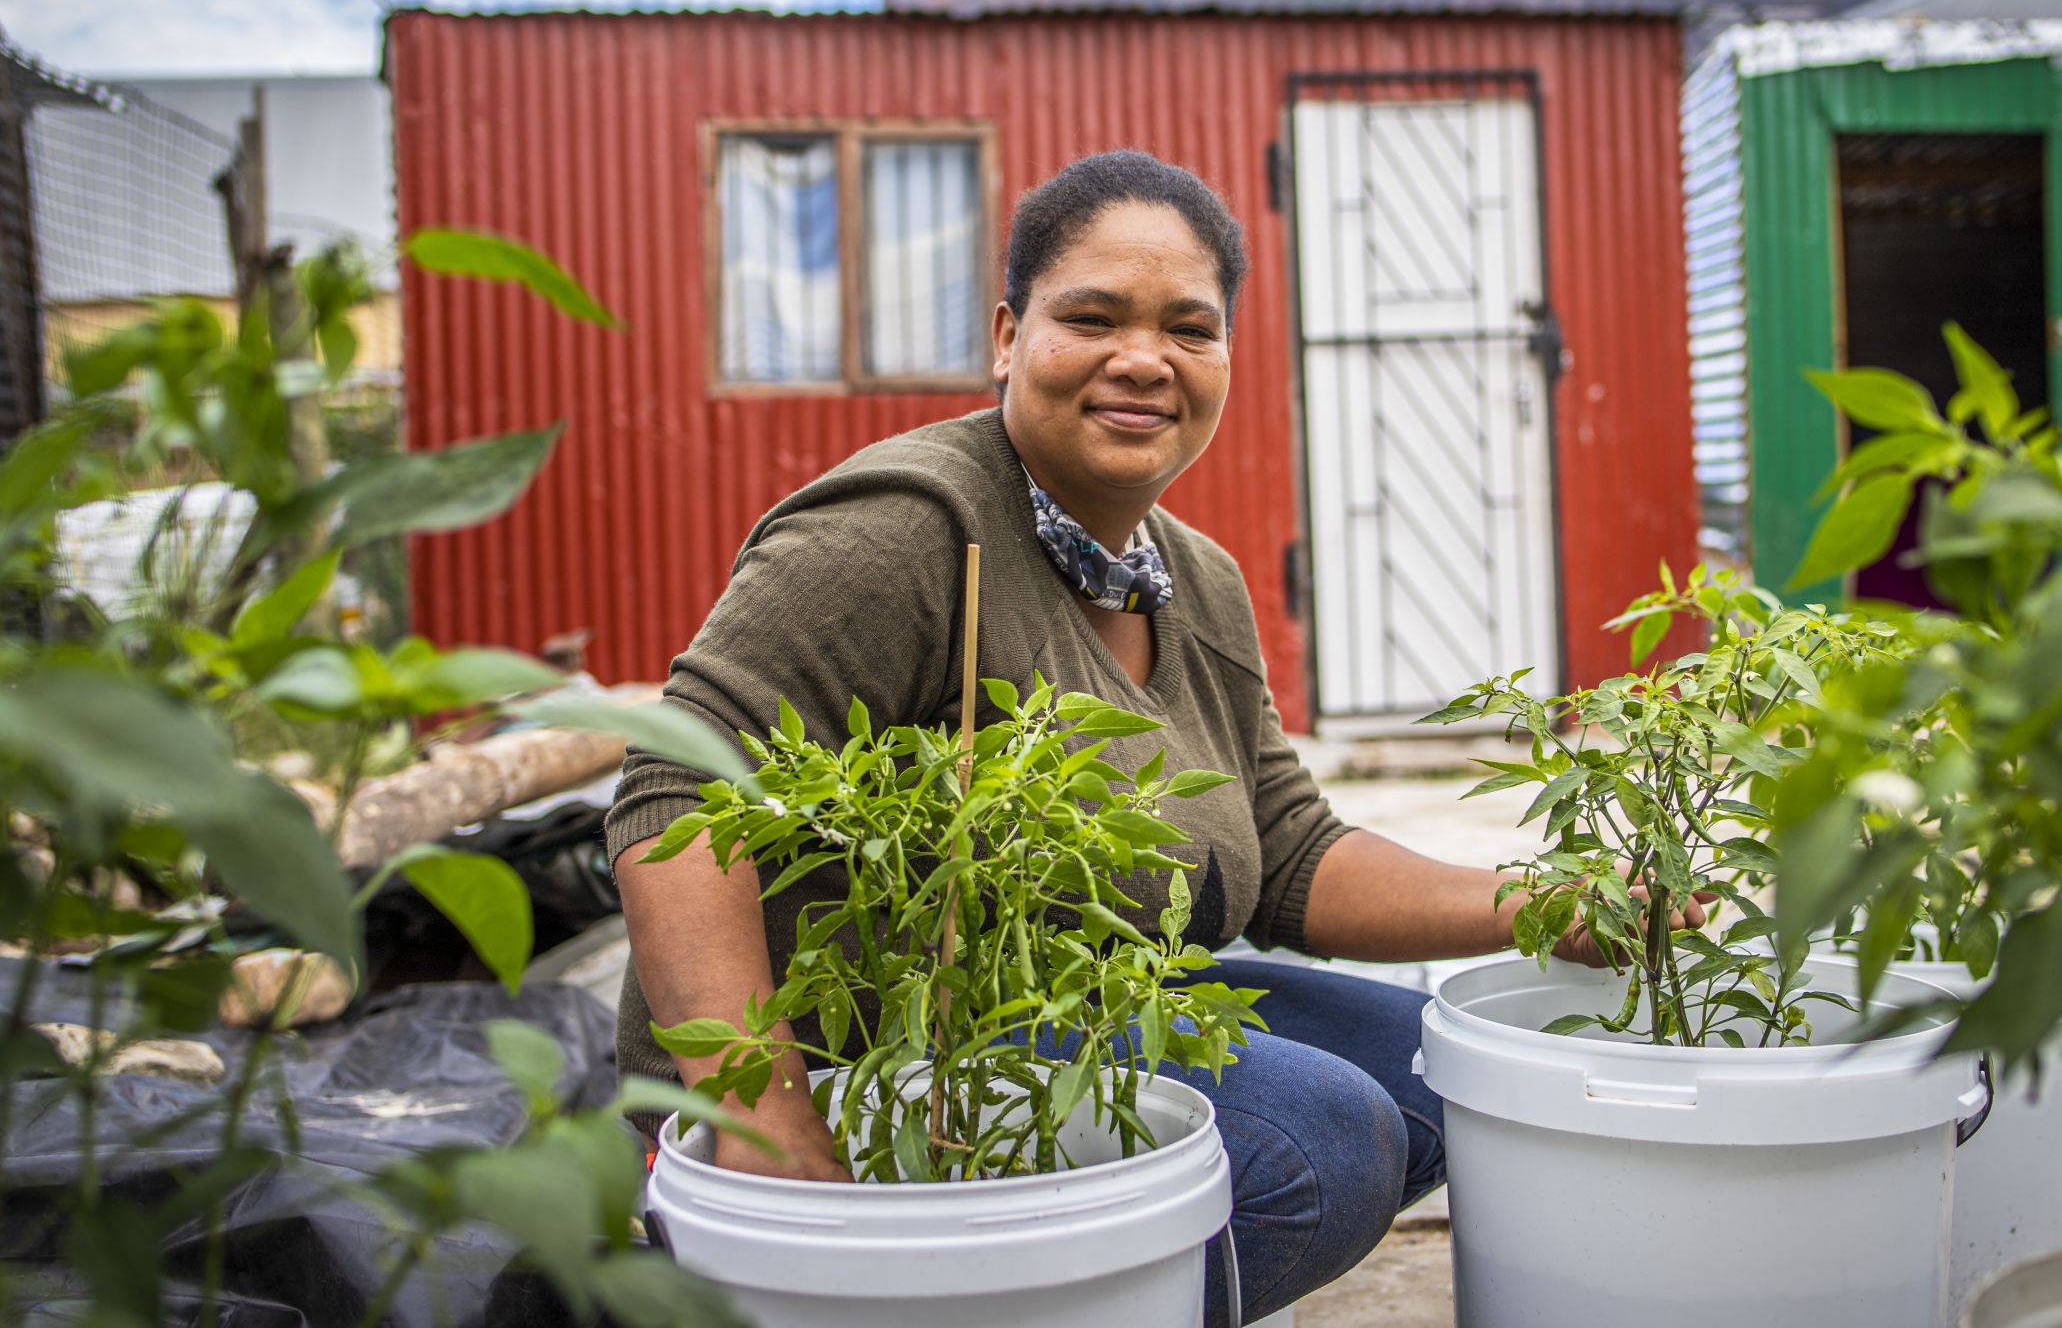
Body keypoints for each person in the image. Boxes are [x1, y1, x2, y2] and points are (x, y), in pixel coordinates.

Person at [606, 149, 1703, 1325]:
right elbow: (677, 789)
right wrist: (765, 1121)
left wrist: (1553, 898)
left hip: (1076, 1014)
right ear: (1006, 336)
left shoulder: (1194, 579)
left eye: (1190, 326)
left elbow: (1285, 846)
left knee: (1446, 1074)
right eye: (1091, 317)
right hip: (877, 1061)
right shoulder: (908, 529)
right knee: (1321, 1139)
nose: (1143, 359)